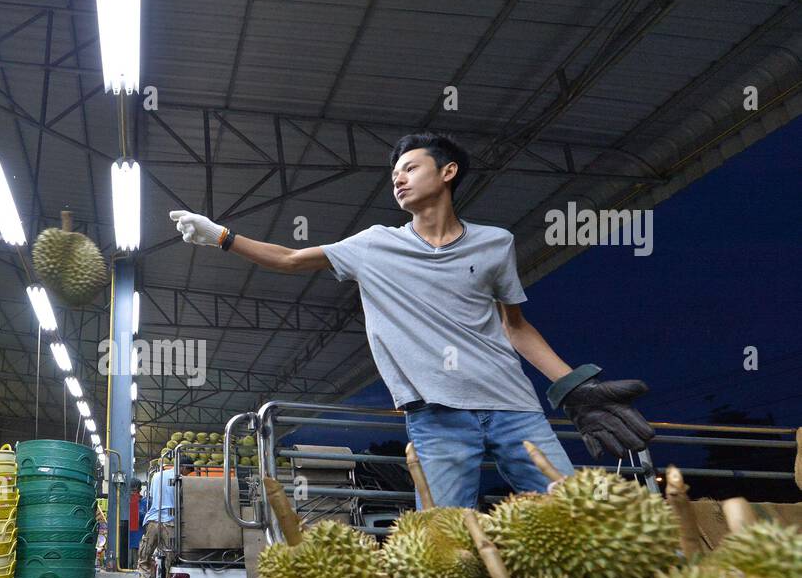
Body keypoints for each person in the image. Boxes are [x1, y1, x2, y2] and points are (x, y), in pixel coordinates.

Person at [170, 132, 654, 509]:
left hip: (514, 408)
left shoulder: (495, 243)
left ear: (448, 172)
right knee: (443, 543)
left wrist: (572, 387)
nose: (397, 179)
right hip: (436, 417)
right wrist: (222, 236)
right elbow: (290, 258)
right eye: (394, 173)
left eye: (409, 168)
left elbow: (516, 327)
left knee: (574, 512)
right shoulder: (373, 245)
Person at [135, 456, 177, 578]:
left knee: (144, 559)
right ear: (184, 467)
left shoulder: (157, 476)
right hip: (170, 523)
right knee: (171, 563)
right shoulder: (181, 478)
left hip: (152, 520)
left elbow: (152, 497)